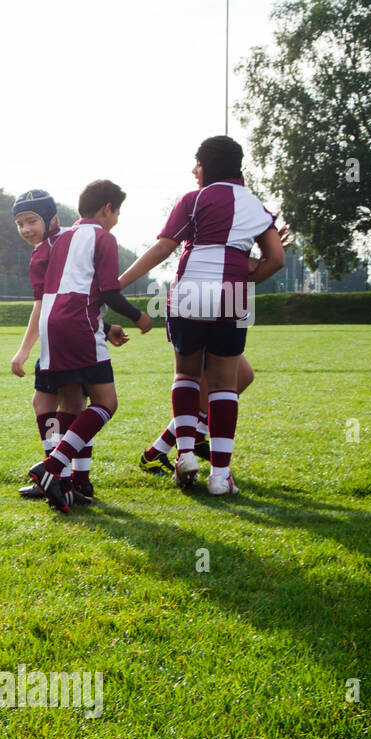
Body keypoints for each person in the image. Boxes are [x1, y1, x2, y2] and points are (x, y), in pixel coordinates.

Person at [118, 136, 285, 494]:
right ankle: (220, 476)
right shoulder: (254, 204)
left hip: (190, 292)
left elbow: (164, 247)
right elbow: (277, 259)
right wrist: (244, 274)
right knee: (226, 385)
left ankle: (186, 454)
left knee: (187, 376)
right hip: (232, 295)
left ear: (208, 165)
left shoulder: (192, 200)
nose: (194, 171)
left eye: (197, 163)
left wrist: (118, 283)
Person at [26, 180, 152, 512]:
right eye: (117, 211)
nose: (116, 219)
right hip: (80, 325)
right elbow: (109, 291)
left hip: (52, 326)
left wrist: (107, 326)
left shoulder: (59, 238)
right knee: (105, 403)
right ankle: (52, 468)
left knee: (71, 405)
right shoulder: (103, 237)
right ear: (107, 208)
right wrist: (139, 316)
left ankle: (72, 485)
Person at [9, 189, 129, 502]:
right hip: (78, 332)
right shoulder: (69, 238)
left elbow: (45, 306)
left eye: (31, 220)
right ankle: (74, 481)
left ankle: (55, 476)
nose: (25, 229)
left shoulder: (51, 248)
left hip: (62, 338)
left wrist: (23, 351)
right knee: (72, 406)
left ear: (52, 218)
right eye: (19, 223)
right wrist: (106, 326)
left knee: (48, 404)